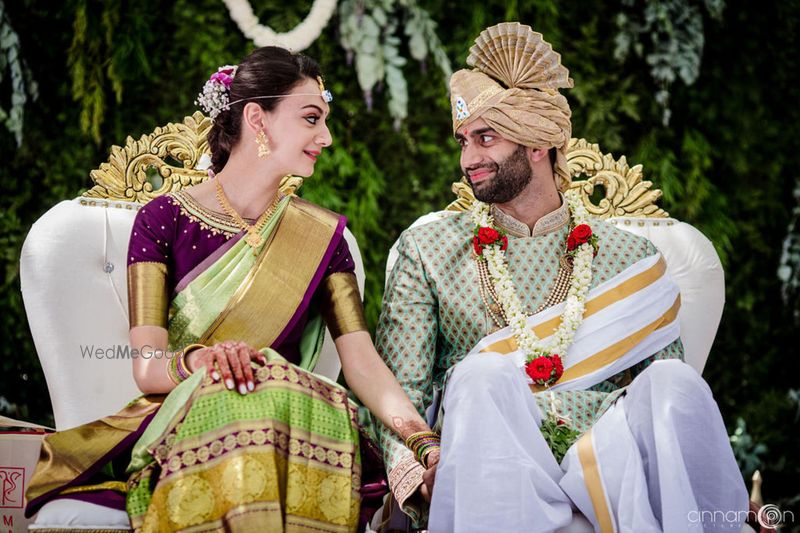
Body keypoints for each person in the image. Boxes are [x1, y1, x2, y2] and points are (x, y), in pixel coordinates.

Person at [25, 46, 438, 532]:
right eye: (311, 118)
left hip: (291, 418)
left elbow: (362, 363)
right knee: (243, 410)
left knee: (272, 402)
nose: (325, 137)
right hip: (191, 416)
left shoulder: (322, 239)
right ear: (257, 119)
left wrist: (423, 443)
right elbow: (148, 367)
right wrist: (200, 361)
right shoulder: (164, 220)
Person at [375, 23, 748, 532]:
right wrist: (419, 468)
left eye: (485, 138)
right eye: (463, 140)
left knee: (674, 381)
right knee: (482, 376)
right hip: (488, 452)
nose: (468, 160)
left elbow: (664, 402)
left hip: (610, 455)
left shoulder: (629, 258)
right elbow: (400, 391)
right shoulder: (431, 249)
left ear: (538, 143)